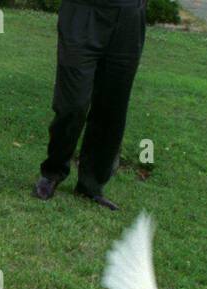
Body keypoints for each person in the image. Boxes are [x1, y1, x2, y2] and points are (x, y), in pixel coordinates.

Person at [33, 0, 148, 211]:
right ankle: (53, 170)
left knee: (112, 107)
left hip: (129, 17)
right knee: (72, 104)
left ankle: (91, 185)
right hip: (82, 11)